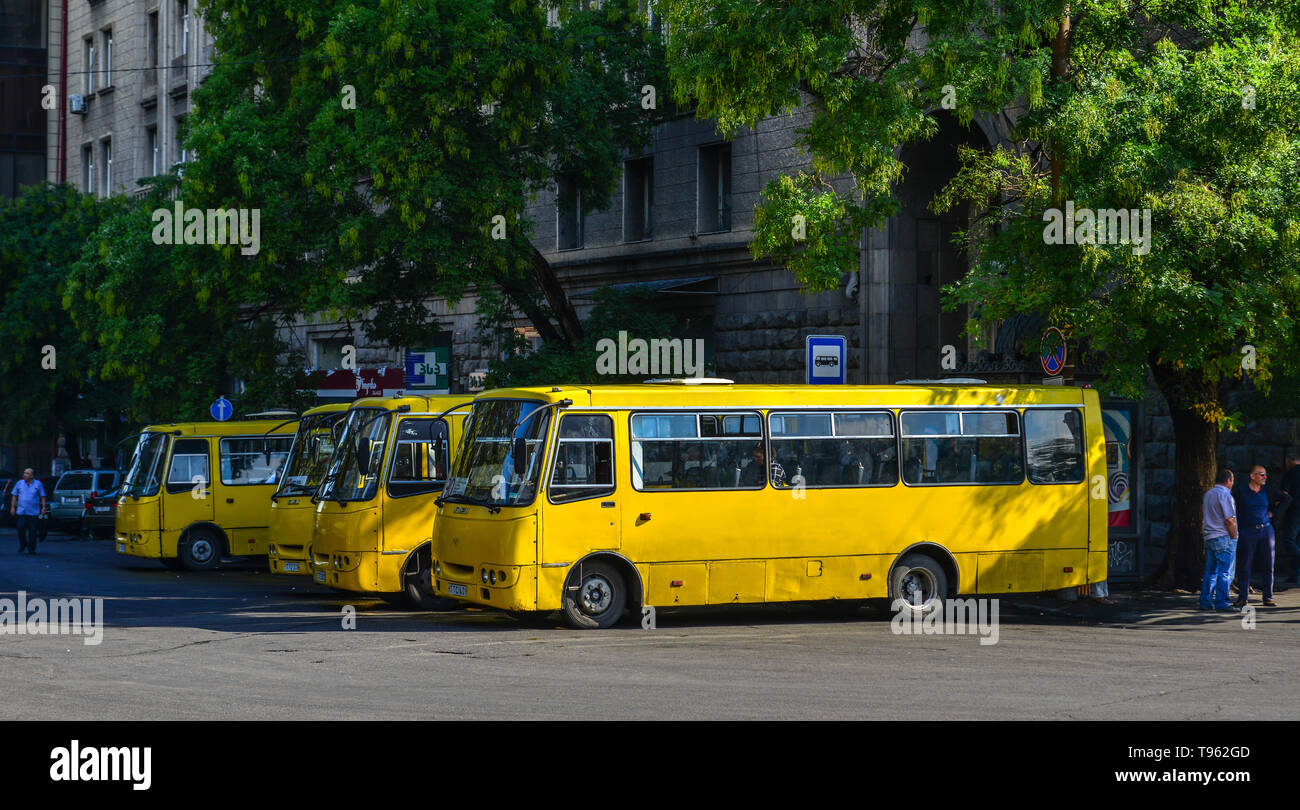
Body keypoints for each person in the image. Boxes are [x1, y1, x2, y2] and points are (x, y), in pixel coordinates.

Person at [1232, 464, 1287, 608]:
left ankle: (1268, 597)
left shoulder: (1267, 490)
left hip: (1265, 530)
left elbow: (1287, 499)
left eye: (1265, 475)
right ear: (1252, 476)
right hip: (1247, 530)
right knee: (1245, 564)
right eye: (1261, 475)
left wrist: (1273, 513)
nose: (1265, 477)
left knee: (1268, 564)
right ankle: (1243, 598)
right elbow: (1233, 507)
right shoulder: (1241, 490)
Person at [1201, 469, 1238, 611]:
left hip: (1209, 536)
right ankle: (1222, 603)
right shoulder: (1225, 495)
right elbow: (1229, 519)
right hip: (1222, 536)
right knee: (1225, 571)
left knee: (1210, 570)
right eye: (1232, 480)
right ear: (1228, 480)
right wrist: (1234, 536)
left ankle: (1205, 601)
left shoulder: (1208, 494)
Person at [9, 468, 48, 555]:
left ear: (32, 476)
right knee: (20, 528)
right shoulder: (19, 483)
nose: (24, 475)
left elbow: (42, 496)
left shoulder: (38, 484)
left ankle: (31, 549)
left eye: (27, 473)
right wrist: (12, 507)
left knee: (32, 531)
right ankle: (23, 544)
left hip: (33, 512)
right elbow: (14, 495)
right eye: (24, 473)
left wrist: (43, 507)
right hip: (21, 511)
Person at [1277, 453, 1300, 584]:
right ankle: (1295, 575)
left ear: (1290, 462)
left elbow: (1284, 494)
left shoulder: (1291, 473)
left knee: (1289, 540)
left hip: (1294, 512)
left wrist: (1277, 510)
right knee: (1297, 542)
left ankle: (1295, 573)